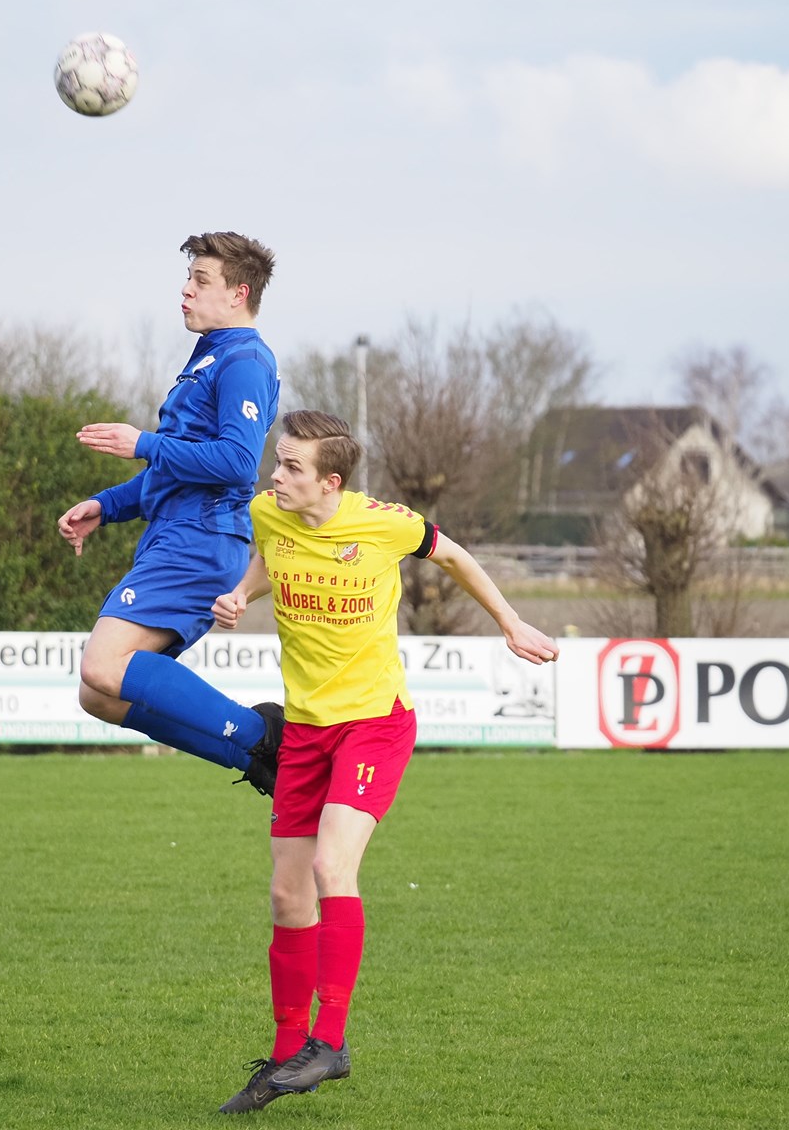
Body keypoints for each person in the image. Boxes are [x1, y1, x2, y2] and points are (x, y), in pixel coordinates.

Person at [211, 410, 559, 1113]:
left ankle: (330, 1044)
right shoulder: (268, 514)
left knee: (331, 869)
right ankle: (284, 1057)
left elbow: (455, 556)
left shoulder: (385, 523)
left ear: (330, 481)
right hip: (304, 732)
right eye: (276, 462)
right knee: (286, 896)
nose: (274, 476)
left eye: (291, 468)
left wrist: (511, 622)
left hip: (373, 726)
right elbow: (266, 555)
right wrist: (243, 594)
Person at [57, 232, 285, 794]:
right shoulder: (208, 356)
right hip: (176, 535)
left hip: (201, 539)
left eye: (200, 281)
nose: (184, 292)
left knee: (101, 666)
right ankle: (259, 761)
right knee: (100, 696)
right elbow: (180, 467)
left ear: (239, 293)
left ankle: (265, 733)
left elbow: (236, 462)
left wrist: (144, 442)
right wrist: (106, 506)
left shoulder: (245, 359)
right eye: (188, 279)